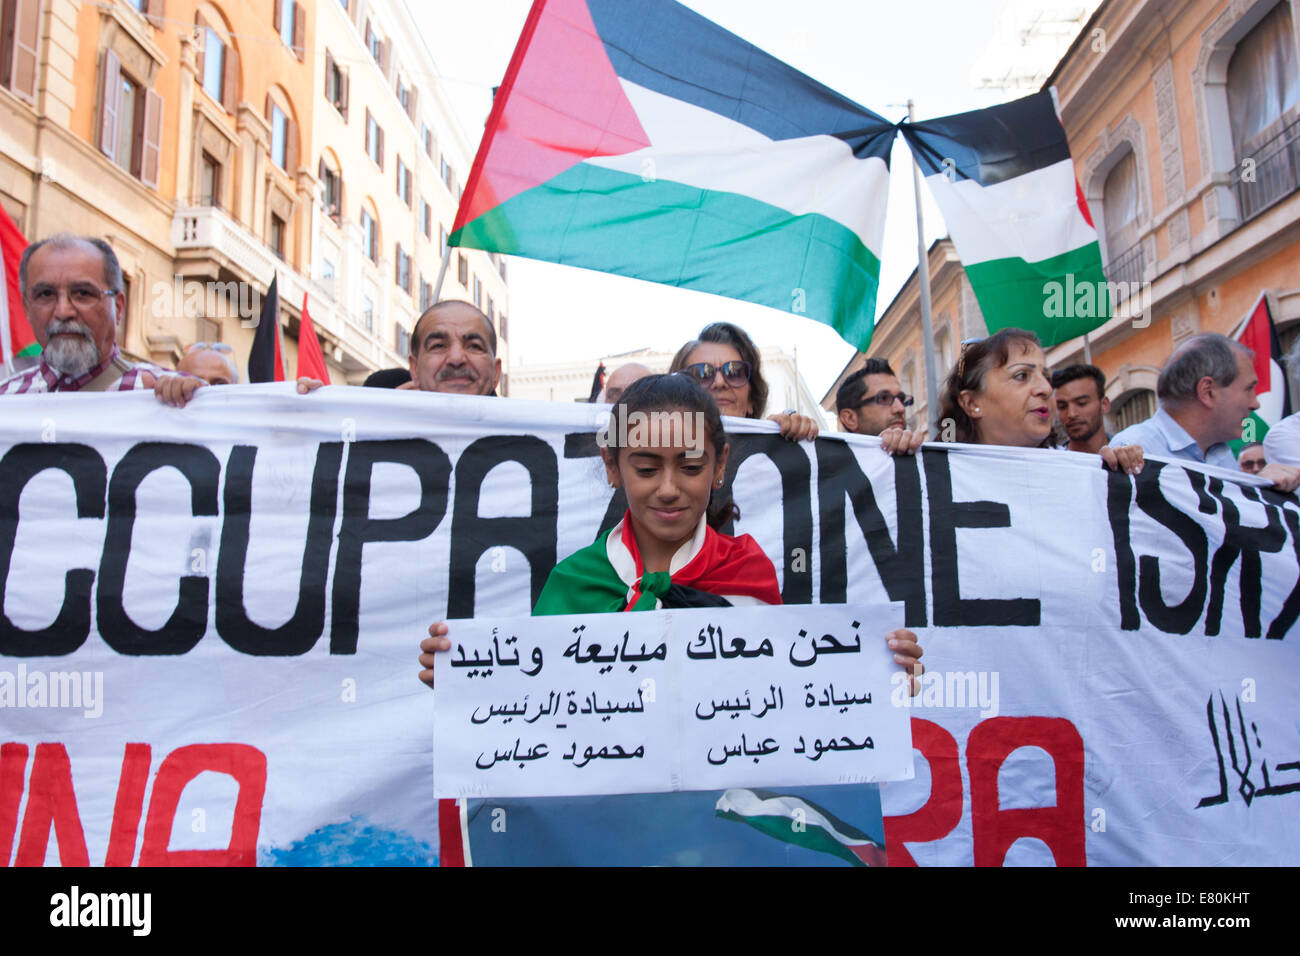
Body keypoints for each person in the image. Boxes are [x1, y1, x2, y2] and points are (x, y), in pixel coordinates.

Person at [418, 375, 923, 865]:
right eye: (645, 468)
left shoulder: (747, 573)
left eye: (689, 465)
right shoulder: (574, 582)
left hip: (727, 843)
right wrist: (469, 683)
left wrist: (878, 676)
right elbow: (530, 723)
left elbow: (794, 712)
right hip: (599, 841)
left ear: (720, 464)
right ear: (612, 466)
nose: (668, 488)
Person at [935, 328, 1144, 474]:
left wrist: (1119, 467)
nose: (1045, 389)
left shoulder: (1085, 471)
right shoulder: (936, 475)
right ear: (971, 403)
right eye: (1021, 376)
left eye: (1045, 376)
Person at [1111, 332, 1299, 491]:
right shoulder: (1135, 453)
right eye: (1249, 389)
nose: (1255, 404)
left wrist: (1256, 489)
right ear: (1207, 392)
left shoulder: (1221, 455)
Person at [1, 234, 172, 394]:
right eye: (46, 294)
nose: (63, 312)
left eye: (82, 293)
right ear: (27, 309)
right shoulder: (7, 400)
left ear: (118, 307)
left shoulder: (169, 396)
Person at [668, 321, 819, 441]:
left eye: (734, 372)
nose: (719, 382)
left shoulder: (781, 456)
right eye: (702, 374)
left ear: (751, 401)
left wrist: (795, 433)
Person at [834, 358, 926, 456]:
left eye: (901, 398)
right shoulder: (832, 469)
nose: (900, 408)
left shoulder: (924, 459)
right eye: (884, 398)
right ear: (850, 418)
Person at [1051, 364, 1110, 454]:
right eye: (1062, 407)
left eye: (1081, 403)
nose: (1071, 414)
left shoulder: (1131, 454)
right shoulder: (1054, 464)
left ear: (1104, 405)